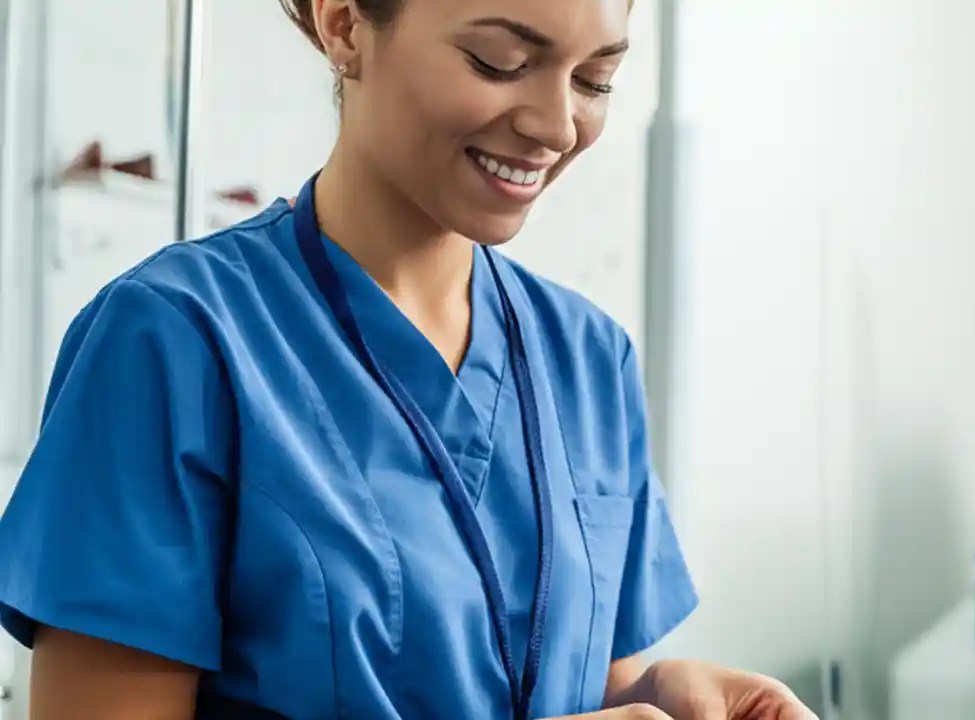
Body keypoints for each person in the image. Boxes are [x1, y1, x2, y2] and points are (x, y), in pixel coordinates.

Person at [0, 0, 818, 718]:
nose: (557, 124)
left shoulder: (588, 358)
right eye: (500, 62)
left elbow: (563, 673)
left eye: (594, 80)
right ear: (345, 22)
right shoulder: (174, 342)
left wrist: (661, 693)